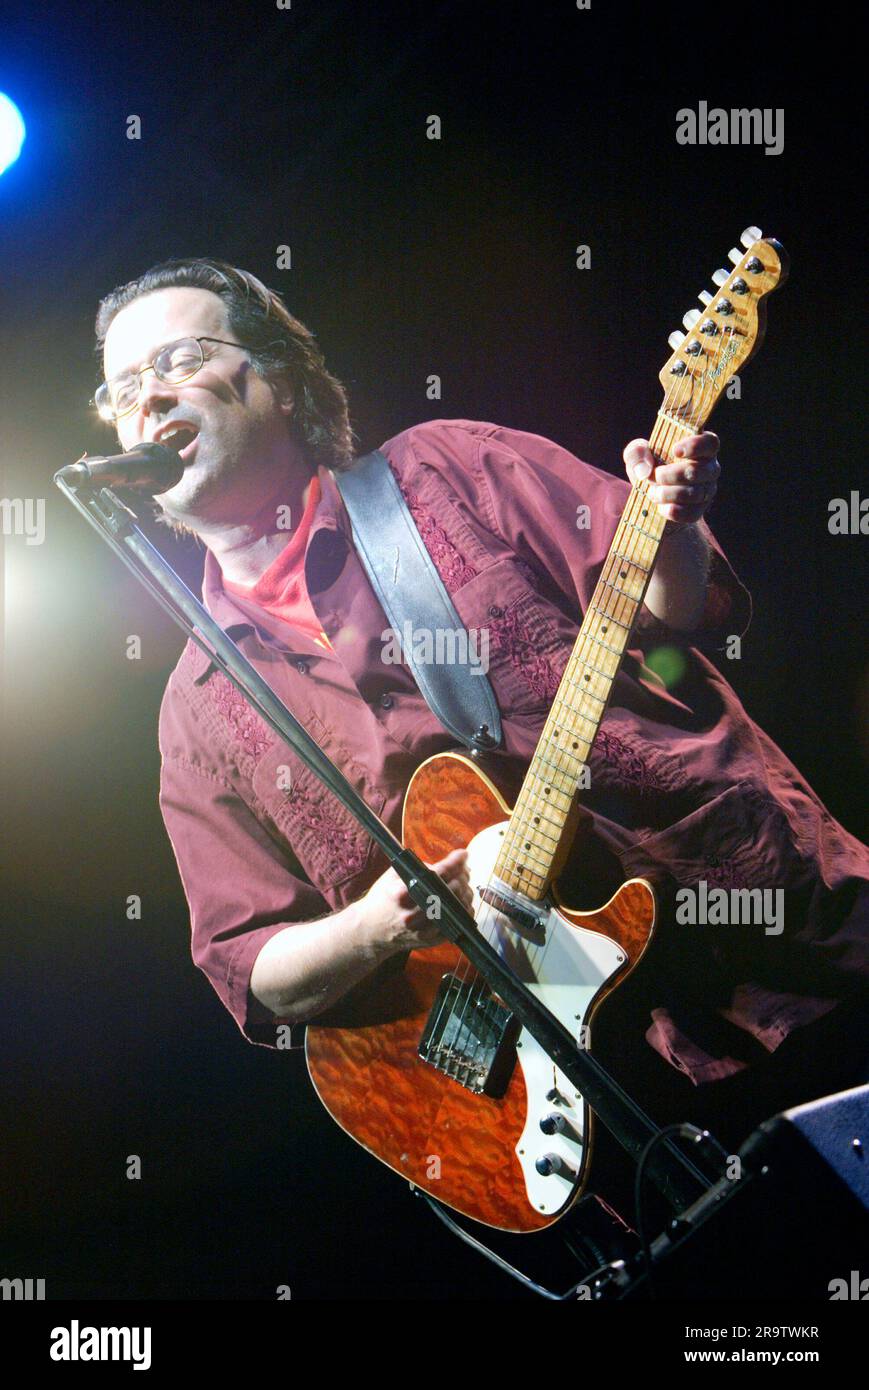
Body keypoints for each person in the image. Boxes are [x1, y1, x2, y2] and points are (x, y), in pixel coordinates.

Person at [93, 257, 868, 1157]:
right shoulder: (198, 708)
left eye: (177, 359)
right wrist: (380, 924)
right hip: (597, 1106)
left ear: (279, 375)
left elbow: (674, 612)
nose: (145, 398)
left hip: (787, 955)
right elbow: (251, 965)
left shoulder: (447, 470)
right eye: (119, 388)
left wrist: (676, 519)